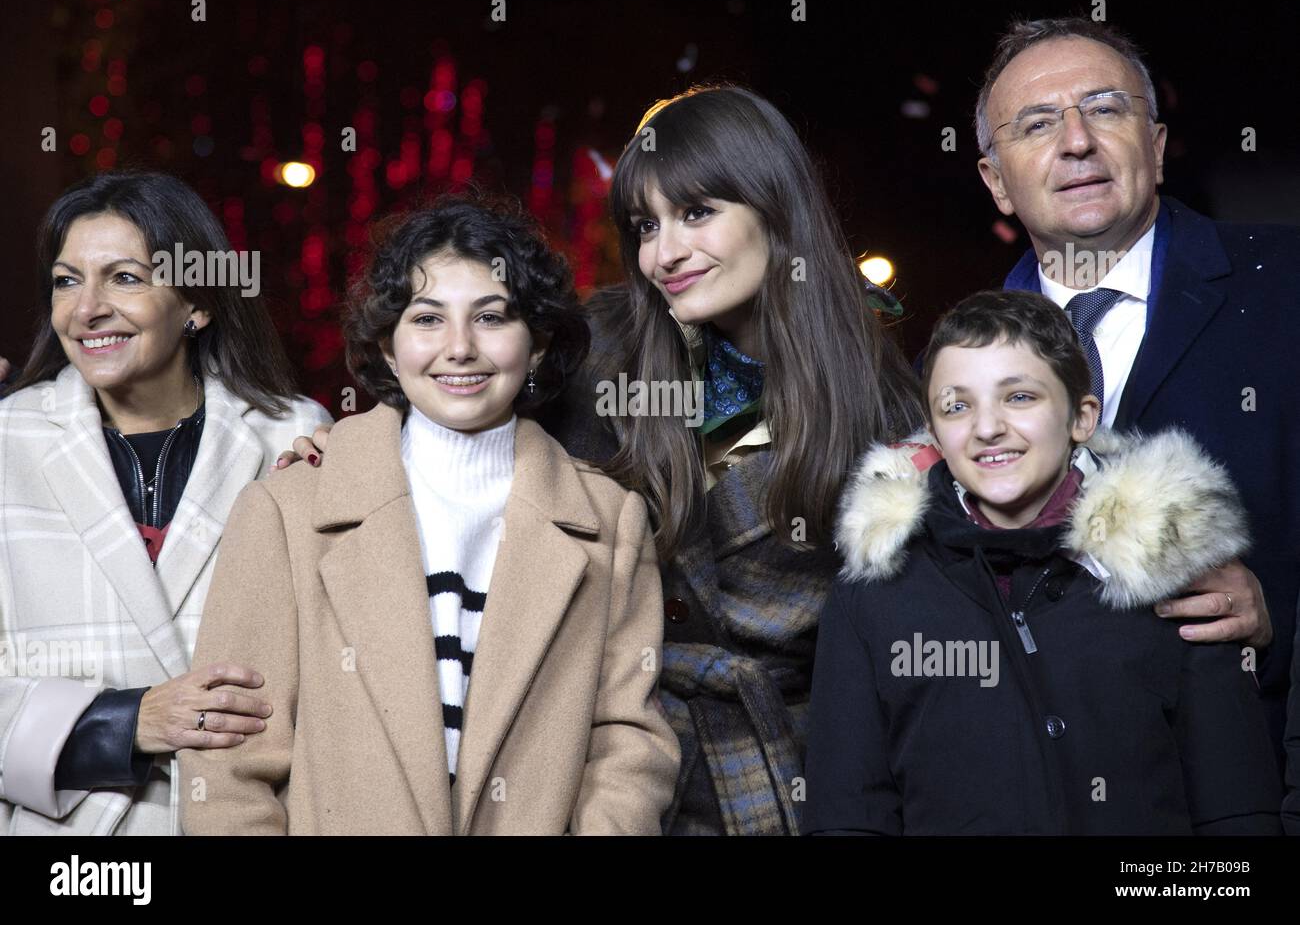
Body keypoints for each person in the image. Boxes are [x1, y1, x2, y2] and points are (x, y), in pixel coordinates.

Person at [280, 87, 925, 835]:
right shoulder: (600, 347)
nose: (665, 253)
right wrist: (361, 448)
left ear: (776, 207)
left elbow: (889, 646)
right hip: (595, 755)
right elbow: (458, 394)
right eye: (645, 226)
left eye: (697, 213)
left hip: (793, 770)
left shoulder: (885, 402)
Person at [180, 194, 679, 835]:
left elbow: (629, 743)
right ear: (388, 347)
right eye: (427, 319)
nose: (460, 348)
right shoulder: (285, 510)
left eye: (492, 318)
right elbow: (228, 761)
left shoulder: (612, 521)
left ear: (538, 345)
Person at [803, 290, 1281, 834]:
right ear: (935, 435)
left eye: (1020, 397)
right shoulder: (874, 591)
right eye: (956, 406)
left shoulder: (1171, 566)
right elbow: (847, 814)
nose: (987, 428)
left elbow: (1236, 810)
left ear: (1081, 417)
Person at [973, 17, 1299, 767]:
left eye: (1105, 109)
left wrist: (1279, 608)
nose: (1077, 140)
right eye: (1036, 124)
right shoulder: (956, 365)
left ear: (1154, 146)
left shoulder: (1285, 285)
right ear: (996, 180)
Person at [0, 171, 332, 835]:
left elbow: (341, 669)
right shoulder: (9, 442)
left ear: (197, 304)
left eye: (124, 278)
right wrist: (125, 721)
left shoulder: (292, 440)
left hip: (250, 821)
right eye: (67, 281)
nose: (87, 308)